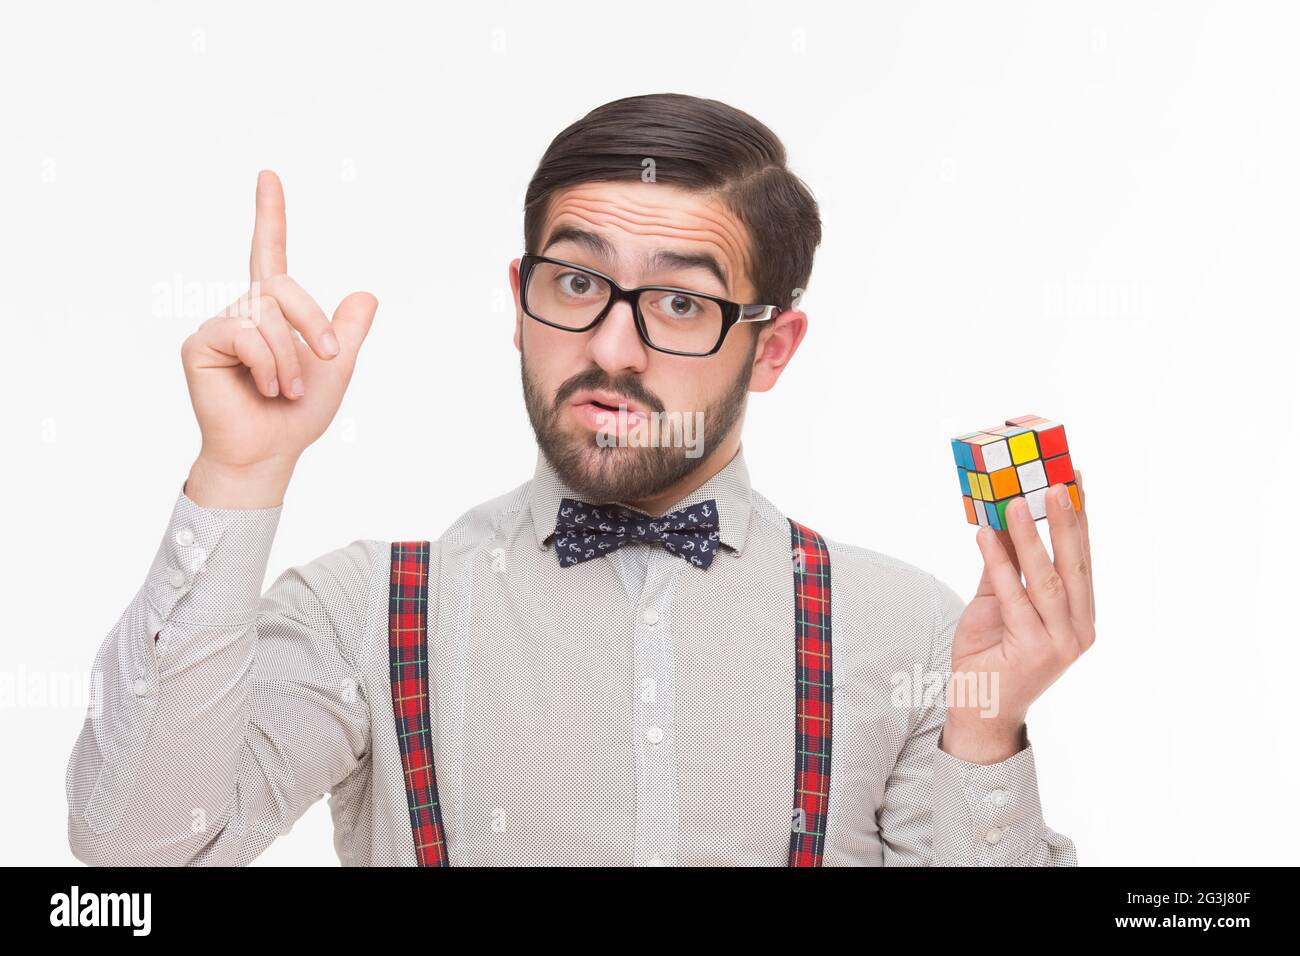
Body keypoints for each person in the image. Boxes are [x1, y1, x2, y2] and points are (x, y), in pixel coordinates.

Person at [65, 93, 1091, 866]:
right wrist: (240, 471)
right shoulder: (363, 613)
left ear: (772, 348)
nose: (611, 348)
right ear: (520, 301)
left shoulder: (912, 634)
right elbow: (136, 850)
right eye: (576, 282)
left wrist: (983, 736)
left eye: (680, 303)